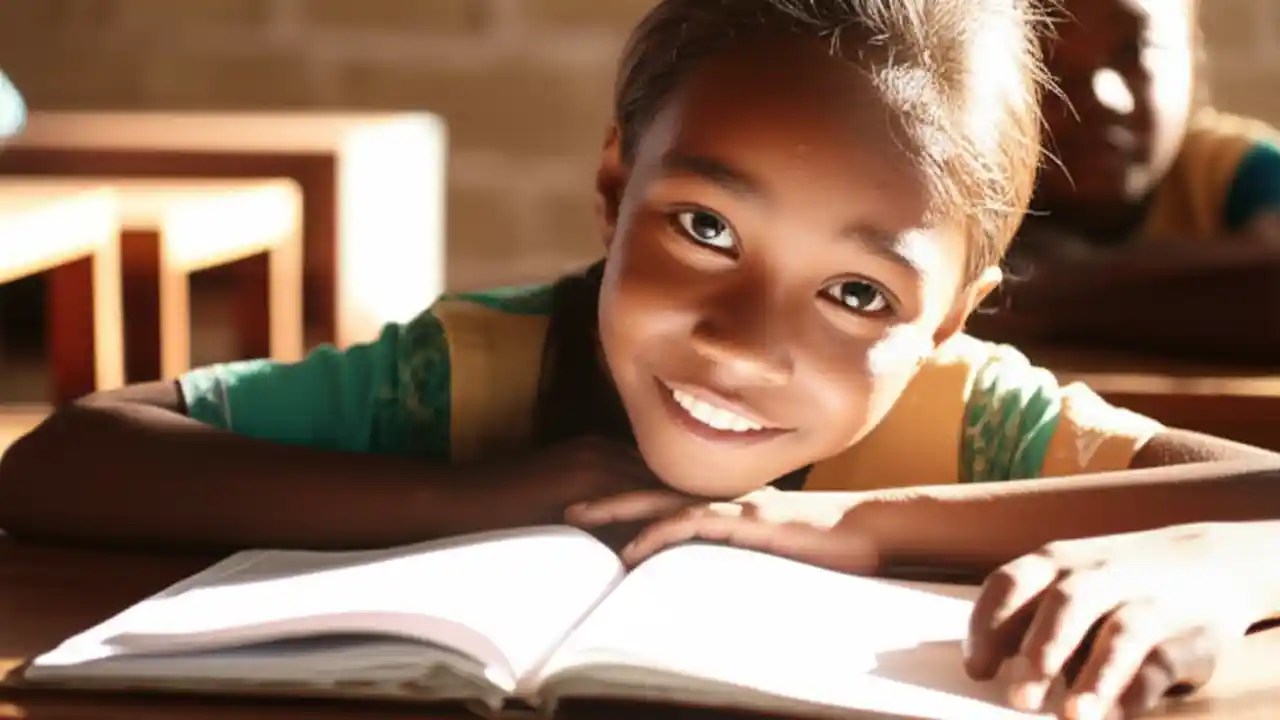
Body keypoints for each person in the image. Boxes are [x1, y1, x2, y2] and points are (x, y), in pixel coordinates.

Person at [0, 1, 1276, 716]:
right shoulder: (474, 371)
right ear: (616, 183)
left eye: (854, 291)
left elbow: (1257, 496)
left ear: (950, 317)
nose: (742, 343)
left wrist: (867, 527)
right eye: (705, 228)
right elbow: (66, 459)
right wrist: (502, 498)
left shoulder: (968, 420)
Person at [967, 0, 1280, 360]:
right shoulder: (965, 179)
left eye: (1132, 51)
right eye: (1047, 58)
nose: (1103, 97)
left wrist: (1046, 290)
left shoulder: (1233, 170)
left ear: (1192, 59)